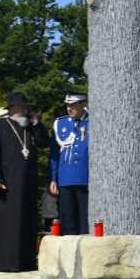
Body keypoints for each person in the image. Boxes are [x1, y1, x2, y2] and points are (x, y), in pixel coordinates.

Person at [0, 93, 40, 272]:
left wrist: (37, 123)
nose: (25, 111)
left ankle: (26, 261)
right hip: (8, 183)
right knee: (9, 223)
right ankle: (7, 262)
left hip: (28, 183)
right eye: (22, 108)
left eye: (26, 108)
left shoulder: (30, 127)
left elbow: (45, 142)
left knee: (27, 221)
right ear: (13, 110)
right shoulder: (0, 127)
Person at [49, 93, 90, 235]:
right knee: (68, 220)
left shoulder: (93, 121)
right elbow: (54, 154)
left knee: (85, 220)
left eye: (72, 105)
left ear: (82, 105)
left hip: (86, 178)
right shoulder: (61, 123)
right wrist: (54, 177)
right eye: (67, 105)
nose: (69, 109)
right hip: (65, 179)